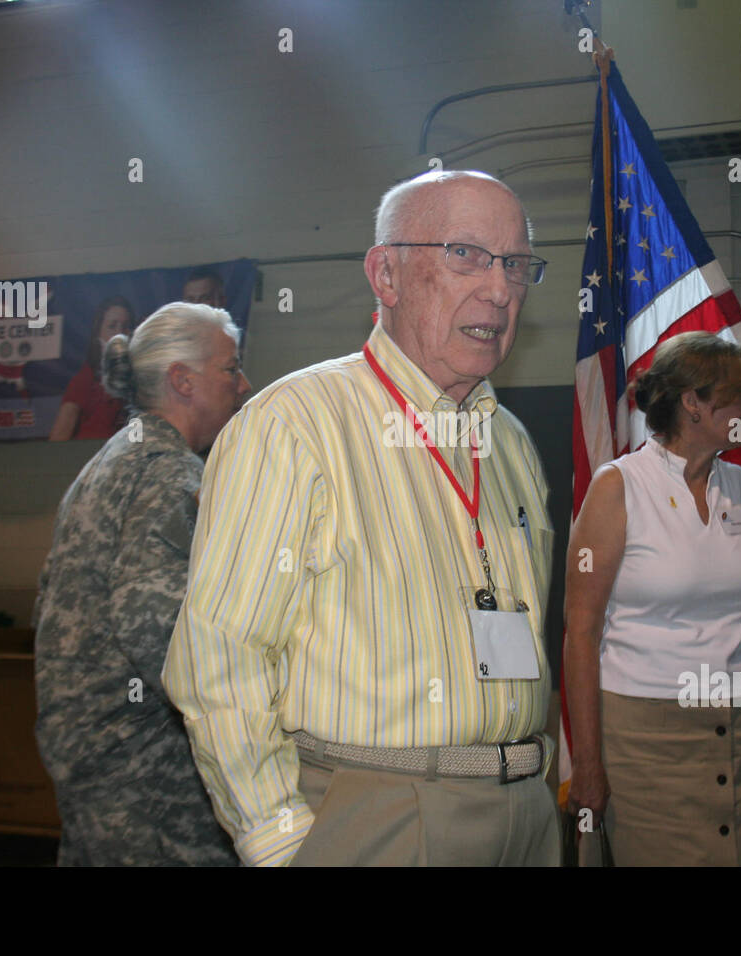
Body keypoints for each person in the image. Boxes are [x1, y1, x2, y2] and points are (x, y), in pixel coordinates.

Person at [163, 170, 558, 867]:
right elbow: (218, 655)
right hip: (380, 817)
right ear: (387, 274)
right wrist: (281, 841)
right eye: (465, 255)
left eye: (516, 264)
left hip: (524, 812)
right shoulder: (294, 426)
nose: (499, 290)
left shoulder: (511, 445)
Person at [33, 301, 252, 865]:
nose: (243, 384)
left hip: (97, 763)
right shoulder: (168, 473)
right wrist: (249, 719)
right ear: (183, 380)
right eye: (230, 368)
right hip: (148, 778)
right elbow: (158, 629)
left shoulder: (112, 459)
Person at [563, 330, 741, 866]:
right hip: (646, 745)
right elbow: (580, 634)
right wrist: (587, 766)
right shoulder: (618, 487)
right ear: (694, 404)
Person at [49, 295, 134, 441]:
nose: (119, 333)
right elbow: (59, 437)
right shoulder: (86, 378)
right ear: (98, 331)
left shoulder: (136, 380)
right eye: (112, 326)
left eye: (125, 327)